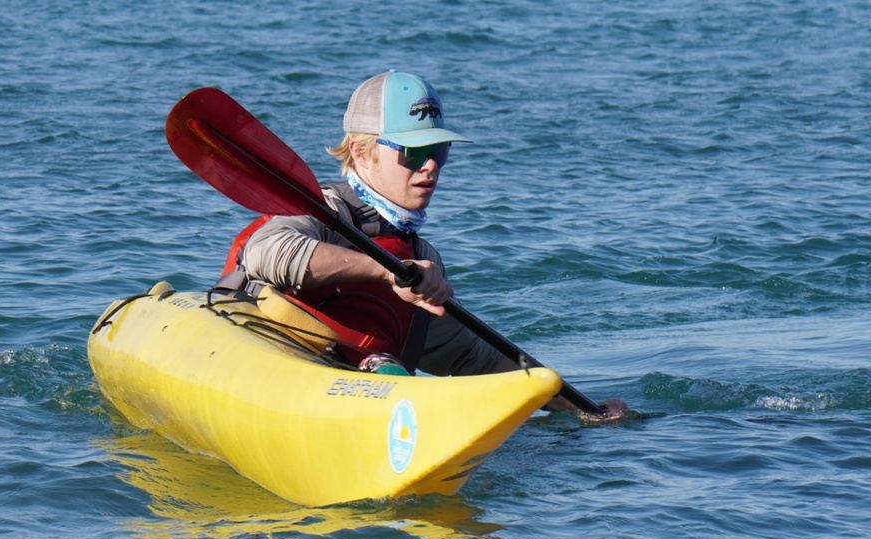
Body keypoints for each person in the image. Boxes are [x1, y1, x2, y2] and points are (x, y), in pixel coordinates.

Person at [223, 70, 627, 418]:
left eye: (438, 151)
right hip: (262, 365)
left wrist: (582, 410)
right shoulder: (324, 212)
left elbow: (475, 355)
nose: (430, 165)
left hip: (342, 394)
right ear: (360, 154)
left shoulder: (420, 258)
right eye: (413, 152)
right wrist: (386, 272)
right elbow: (264, 253)